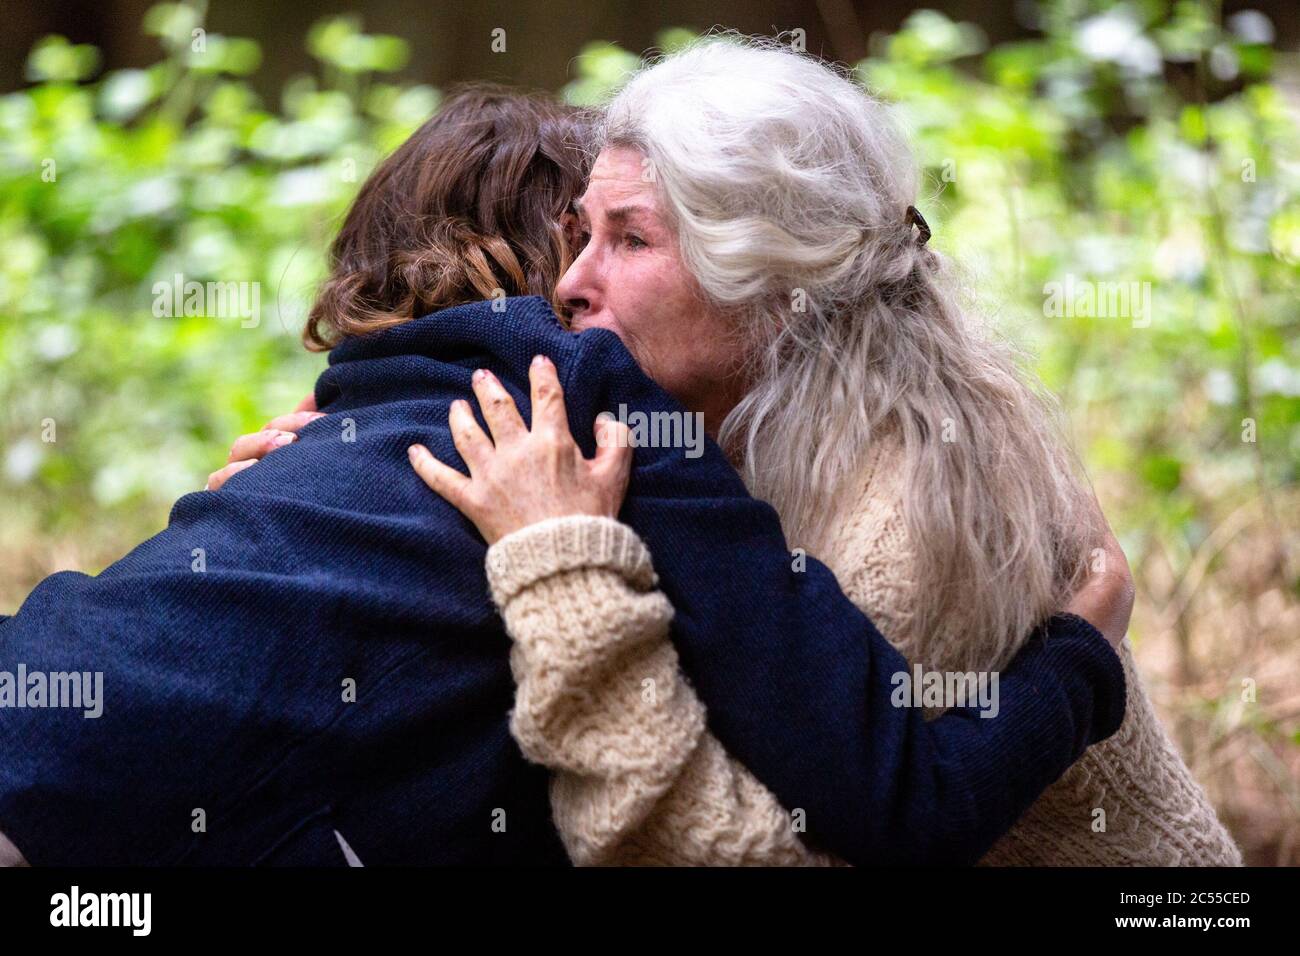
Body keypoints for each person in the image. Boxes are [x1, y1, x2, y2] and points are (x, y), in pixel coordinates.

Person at [0, 83, 1128, 868]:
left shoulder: (348, 423)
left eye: (630, 239)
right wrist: (1079, 659)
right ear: (555, 262)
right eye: (588, 239)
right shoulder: (582, 399)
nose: (593, 282)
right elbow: (903, 797)